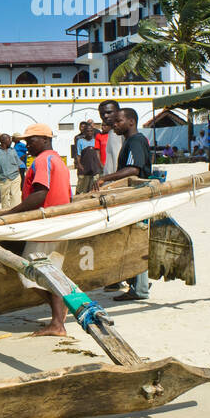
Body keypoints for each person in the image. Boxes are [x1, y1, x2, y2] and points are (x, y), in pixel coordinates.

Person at [0, 124, 73, 337]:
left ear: (44, 139)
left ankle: (58, 321)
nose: (27, 145)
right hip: (57, 222)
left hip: (47, 223)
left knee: (34, 274)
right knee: (48, 271)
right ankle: (58, 314)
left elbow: (40, 195)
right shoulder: (57, 159)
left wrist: (11, 213)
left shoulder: (43, 161)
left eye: (31, 140)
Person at [93, 108, 153, 301]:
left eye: (118, 121)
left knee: (136, 239)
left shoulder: (135, 141)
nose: (115, 125)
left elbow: (134, 168)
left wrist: (106, 178)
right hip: (134, 198)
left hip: (137, 198)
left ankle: (141, 288)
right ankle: (136, 283)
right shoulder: (131, 141)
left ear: (131, 122)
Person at [0, 134, 23, 209]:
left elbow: (18, 162)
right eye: (9, 139)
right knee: (4, 198)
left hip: (15, 176)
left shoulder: (12, 150)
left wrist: (19, 172)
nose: (11, 141)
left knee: (15, 195)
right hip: (3, 177)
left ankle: (16, 211)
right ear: (3, 141)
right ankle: (6, 212)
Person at [74, 120, 102, 194]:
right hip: (84, 168)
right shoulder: (80, 141)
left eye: (91, 131)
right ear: (85, 132)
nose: (90, 133)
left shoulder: (96, 140)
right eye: (88, 131)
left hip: (94, 168)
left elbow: (98, 154)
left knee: (93, 188)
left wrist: (100, 165)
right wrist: (79, 165)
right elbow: (78, 154)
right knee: (81, 188)